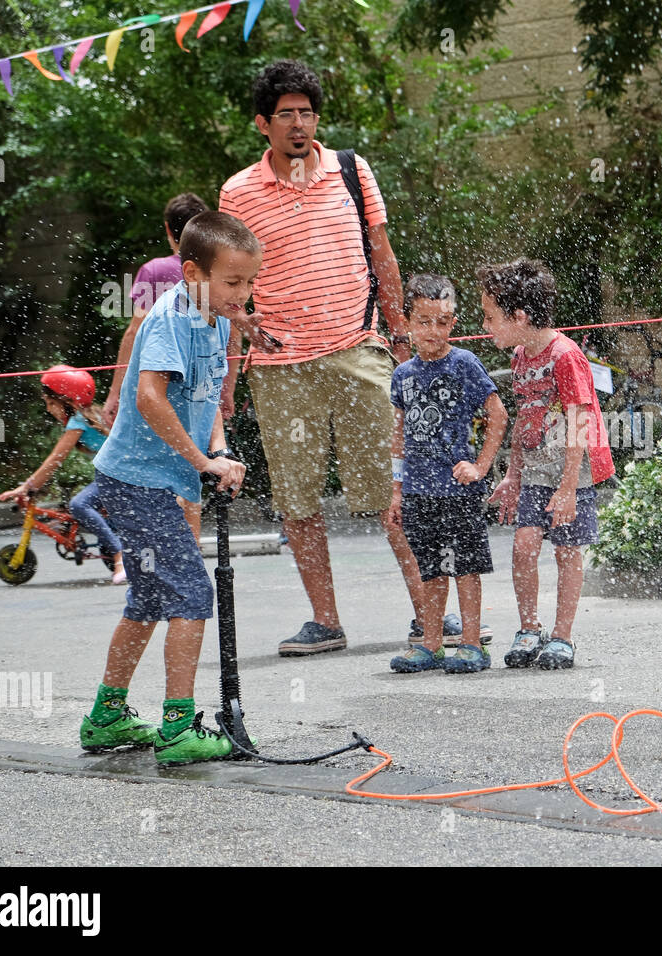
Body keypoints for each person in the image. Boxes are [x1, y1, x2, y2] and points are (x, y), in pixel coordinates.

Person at [219, 59, 461, 658]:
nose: (298, 124)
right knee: (298, 501)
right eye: (285, 115)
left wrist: (401, 337)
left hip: (360, 352)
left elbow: (383, 255)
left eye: (306, 112)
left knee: (396, 490)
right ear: (263, 124)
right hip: (280, 369)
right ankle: (325, 622)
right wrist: (234, 345)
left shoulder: (351, 171)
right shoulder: (238, 190)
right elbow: (231, 280)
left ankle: (428, 614)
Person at [78, 211, 256, 765]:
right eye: (232, 282)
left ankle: (106, 716)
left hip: (151, 480)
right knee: (191, 595)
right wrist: (201, 460)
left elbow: (208, 398)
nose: (243, 294)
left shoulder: (219, 317)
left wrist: (219, 451)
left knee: (150, 598)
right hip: (136, 479)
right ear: (192, 272)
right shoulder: (171, 317)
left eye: (250, 282)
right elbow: (149, 398)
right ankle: (178, 729)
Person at [482, 258, 615, 671]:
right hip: (537, 466)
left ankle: (562, 637)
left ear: (519, 316)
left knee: (566, 550)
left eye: (490, 317)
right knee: (523, 545)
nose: (485, 326)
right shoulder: (522, 355)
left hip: (572, 470)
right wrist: (512, 475)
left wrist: (569, 487)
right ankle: (528, 628)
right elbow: (525, 416)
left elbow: (580, 419)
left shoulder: (565, 355)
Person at [387, 275, 508, 674]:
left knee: (466, 568)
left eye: (441, 322)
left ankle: (472, 644)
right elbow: (400, 434)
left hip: (458, 491)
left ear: (453, 323)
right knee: (432, 570)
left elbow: (498, 416)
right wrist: (396, 491)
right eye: (423, 321)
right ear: (407, 323)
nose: (433, 331)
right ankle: (431, 644)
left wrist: (481, 467)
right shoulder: (402, 374)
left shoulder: (465, 364)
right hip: (419, 492)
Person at [0, 365, 126, 584]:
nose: (48, 409)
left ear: (67, 401)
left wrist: (27, 487)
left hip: (119, 475)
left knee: (79, 505)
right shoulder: (91, 416)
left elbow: (54, 460)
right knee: (84, 506)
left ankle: (119, 556)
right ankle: (117, 544)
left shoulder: (78, 422)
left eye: (51, 403)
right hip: (116, 473)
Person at [105, 193, 211, 426]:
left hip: (160, 383)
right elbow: (231, 334)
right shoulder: (218, 273)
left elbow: (135, 332)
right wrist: (227, 390)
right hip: (204, 383)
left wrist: (116, 393)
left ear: (167, 228)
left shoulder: (154, 271)